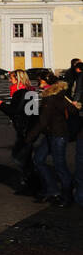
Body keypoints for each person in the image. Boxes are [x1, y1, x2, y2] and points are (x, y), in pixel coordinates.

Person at [27, 75, 77, 208]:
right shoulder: (57, 95)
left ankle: (67, 195)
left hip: (57, 135)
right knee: (38, 159)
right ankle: (52, 190)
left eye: (40, 80)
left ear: (47, 82)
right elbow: (71, 109)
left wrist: (29, 138)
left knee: (60, 166)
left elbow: (42, 121)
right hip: (52, 134)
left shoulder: (51, 98)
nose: (38, 83)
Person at [0, 69, 38, 195]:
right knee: (26, 157)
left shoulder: (19, 93)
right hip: (30, 127)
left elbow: (13, 111)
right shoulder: (30, 91)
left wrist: (0, 104)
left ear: (18, 78)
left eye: (11, 78)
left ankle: (32, 183)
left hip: (23, 128)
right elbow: (33, 112)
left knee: (20, 157)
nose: (10, 80)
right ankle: (32, 183)